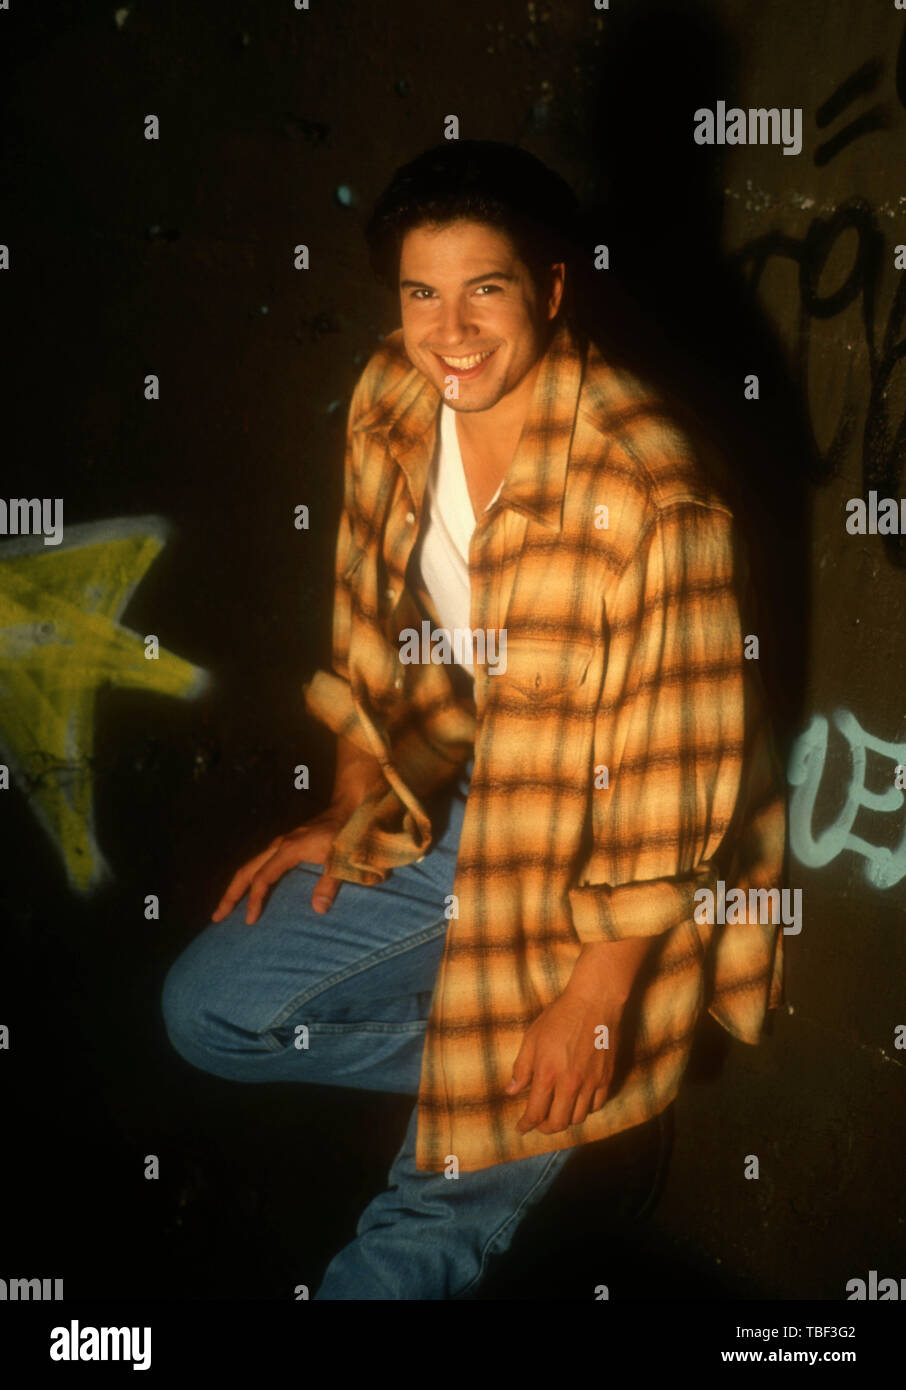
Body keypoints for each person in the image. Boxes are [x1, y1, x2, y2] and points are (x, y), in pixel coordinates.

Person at [162, 140, 786, 1300]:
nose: (449, 331)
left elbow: (676, 778)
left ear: (549, 288)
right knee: (209, 1011)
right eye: (420, 293)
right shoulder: (394, 400)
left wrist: (596, 1004)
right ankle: (541, 1099)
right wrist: (354, 808)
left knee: (408, 1244)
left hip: (596, 870)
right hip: (457, 811)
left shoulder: (652, 493)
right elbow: (367, 634)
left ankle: (568, 1090)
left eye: (484, 289)